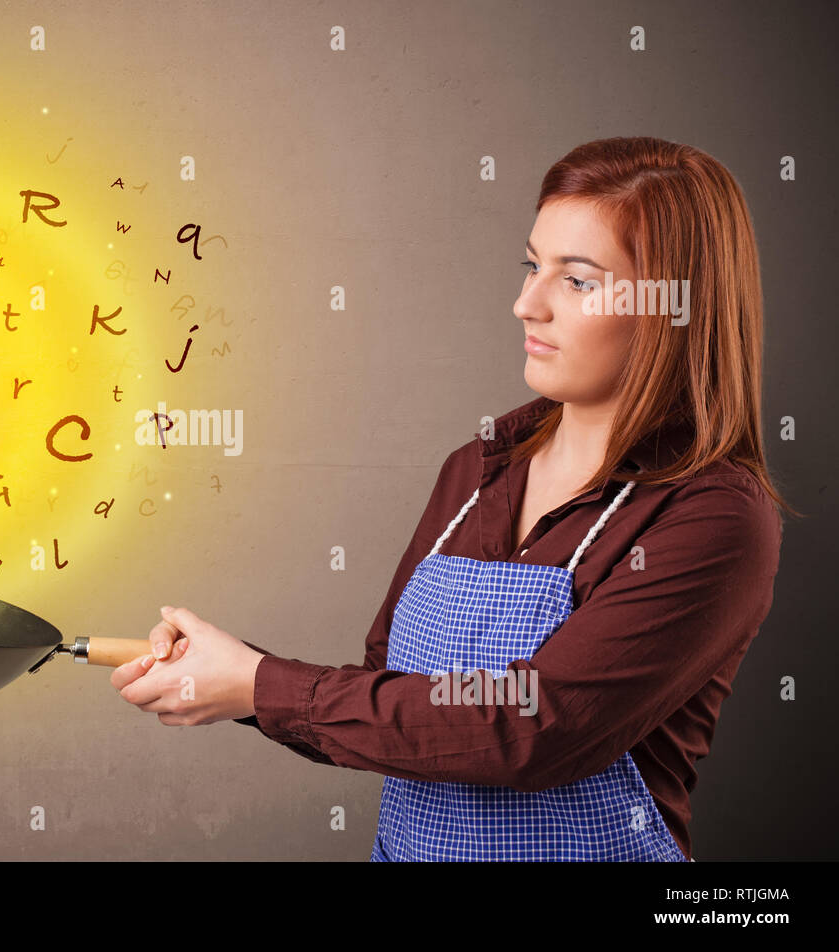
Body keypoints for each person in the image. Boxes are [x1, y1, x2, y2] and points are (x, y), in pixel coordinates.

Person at [110, 137, 791, 861]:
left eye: (578, 281)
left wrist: (259, 686)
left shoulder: (714, 516)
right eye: (533, 266)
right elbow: (388, 703)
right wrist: (231, 672)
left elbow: (535, 731)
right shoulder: (477, 472)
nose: (526, 304)